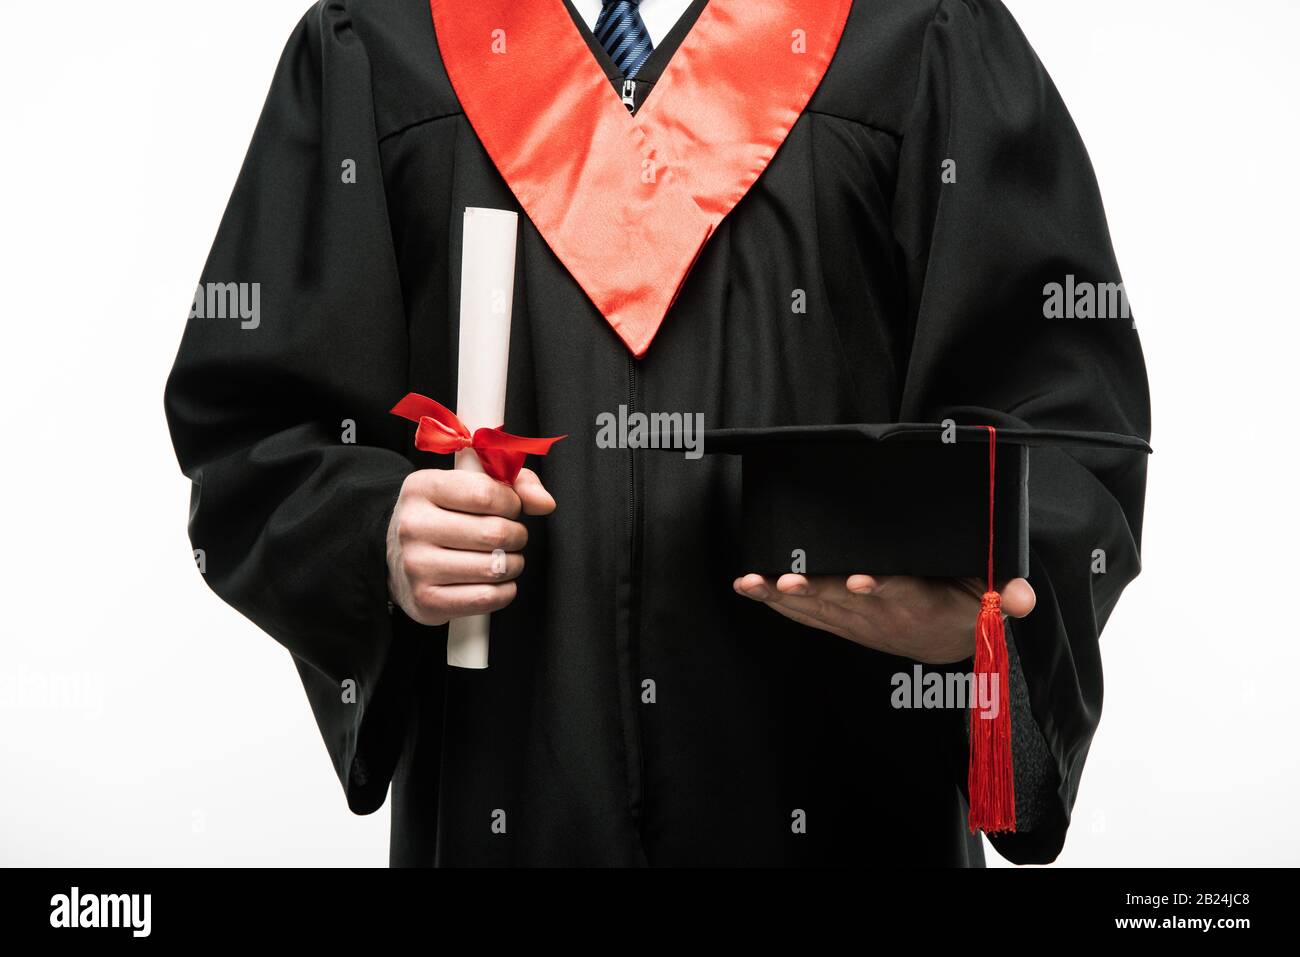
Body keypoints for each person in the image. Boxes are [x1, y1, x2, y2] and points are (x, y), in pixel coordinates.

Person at [164, 0, 1150, 866]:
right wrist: (374, 533)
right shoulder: (382, 41)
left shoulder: (918, 31)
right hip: (508, 790)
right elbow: (254, 424)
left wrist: (977, 625)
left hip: (844, 793)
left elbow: (1064, 425)